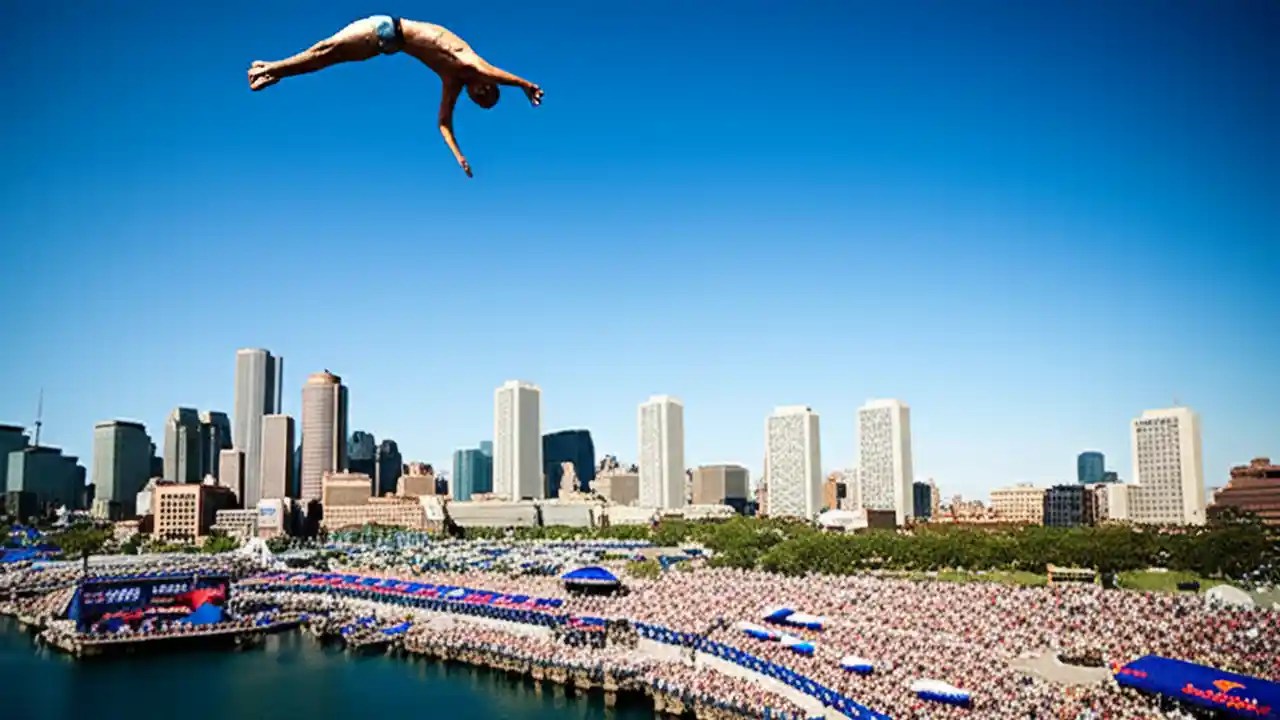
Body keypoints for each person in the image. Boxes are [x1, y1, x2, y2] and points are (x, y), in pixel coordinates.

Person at [248, 15, 543, 177]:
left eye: (479, 100)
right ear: (490, 85)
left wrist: (459, 156)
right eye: (485, 92)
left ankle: (273, 73)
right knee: (326, 50)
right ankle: (270, 67)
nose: (478, 93)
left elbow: (443, 123)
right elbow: (493, 71)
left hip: (384, 45)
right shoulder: (468, 60)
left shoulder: (452, 80)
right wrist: (525, 85)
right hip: (387, 26)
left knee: (325, 60)